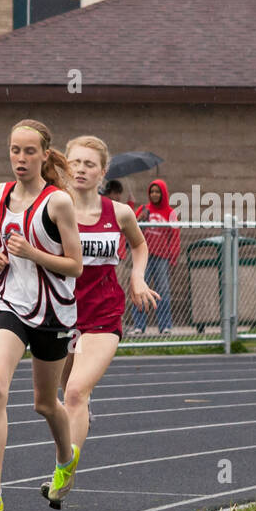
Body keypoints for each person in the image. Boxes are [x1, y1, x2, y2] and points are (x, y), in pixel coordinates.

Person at [0, 119, 83, 511]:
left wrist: (33, 253)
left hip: (53, 313)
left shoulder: (58, 203)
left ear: (44, 155)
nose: (20, 159)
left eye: (29, 151)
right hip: (11, 306)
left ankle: (65, 458)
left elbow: (75, 266)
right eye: (15, 150)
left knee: (44, 404)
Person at [59, 135, 159, 459]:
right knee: (67, 393)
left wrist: (137, 276)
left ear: (102, 172)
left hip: (103, 314)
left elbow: (140, 245)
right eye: (75, 162)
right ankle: (82, 411)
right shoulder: (53, 209)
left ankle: (64, 477)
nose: (81, 169)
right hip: (61, 315)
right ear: (65, 165)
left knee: (74, 392)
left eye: (89, 164)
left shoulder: (119, 213)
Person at [131, 178, 179, 334]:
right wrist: (139, 220)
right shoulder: (144, 209)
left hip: (161, 257)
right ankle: (139, 326)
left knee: (162, 291)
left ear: (163, 193)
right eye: (152, 191)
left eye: (158, 191)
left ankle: (165, 326)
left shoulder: (170, 213)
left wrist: (173, 256)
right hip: (143, 258)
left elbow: (175, 236)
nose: (154, 194)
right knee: (139, 290)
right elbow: (131, 229)